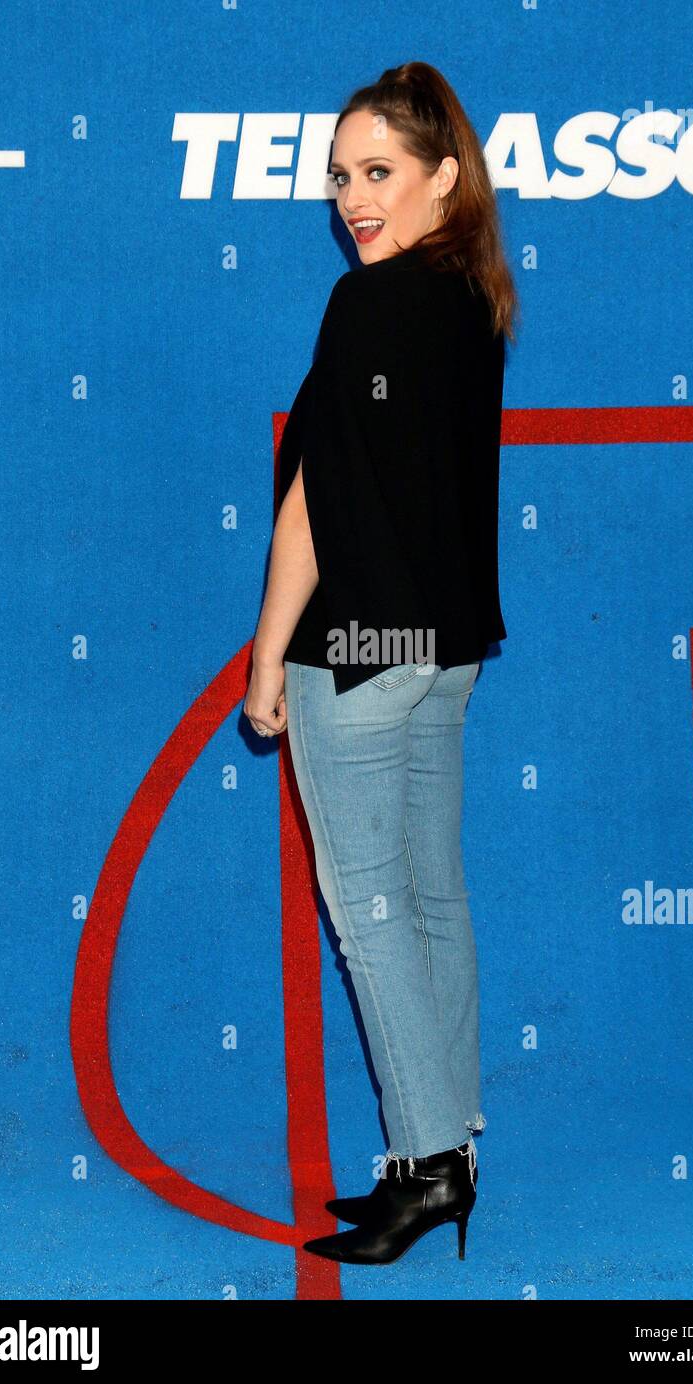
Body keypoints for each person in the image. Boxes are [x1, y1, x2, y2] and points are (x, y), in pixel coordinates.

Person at [244, 61, 518, 1265]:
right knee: (430, 901)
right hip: (443, 652)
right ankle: (450, 1144)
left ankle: (421, 1169)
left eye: (378, 173)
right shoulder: (473, 301)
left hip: (356, 652)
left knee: (369, 912)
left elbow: (309, 502)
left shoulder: (367, 307)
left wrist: (268, 662)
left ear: (442, 178)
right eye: (339, 178)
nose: (353, 199)